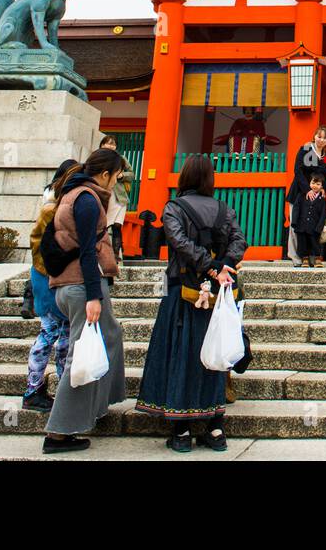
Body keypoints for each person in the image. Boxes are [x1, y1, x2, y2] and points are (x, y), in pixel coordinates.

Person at [135, 154, 246, 453]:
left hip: (183, 291)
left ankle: (181, 430)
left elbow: (178, 242)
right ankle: (215, 427)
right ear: (210, 178)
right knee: (215, 354)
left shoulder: (174, 208)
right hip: (218, 293)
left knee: (181, 353)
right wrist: (222, 266)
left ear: (184, 177)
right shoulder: (224, 210)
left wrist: (208, 265)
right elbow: (239, 241)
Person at [43, 149, 128, 454]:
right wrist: (94, 294)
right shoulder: (88, 199)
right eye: (117, 175)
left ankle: (98, 403)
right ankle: (58, 431)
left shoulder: (69, 194)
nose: (117, 180)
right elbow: (89, 251)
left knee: (110, 337)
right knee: (79, 358)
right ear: (105, 174)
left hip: (67, 284)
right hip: (83, 285)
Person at [21, 158, 76, 412]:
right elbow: (37, 245)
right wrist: (52, 269)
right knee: (49, 332)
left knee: (65, 336)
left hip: (62, 277)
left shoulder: (67, 208)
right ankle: (33, 388)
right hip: (47, 277)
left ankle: (64, 389)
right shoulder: (49, 211)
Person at [286, 125, 326, 266]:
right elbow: (298, 171)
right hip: (299, 193)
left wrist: (322, 188)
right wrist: (308, 190)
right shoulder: (306, 150)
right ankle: (296, 258)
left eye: (324, 138)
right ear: (314, 136)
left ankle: (311, 257)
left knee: (312, 227)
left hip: (316, 197)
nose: (321, 140)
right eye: (319, 136)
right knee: (296, 227)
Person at [98, 135, 131, 264]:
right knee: (104, 225)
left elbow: (131, 173)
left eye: (113, 144)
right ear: (102, 145)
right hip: (104, 194)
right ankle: (102, 252)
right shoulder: (98, 158)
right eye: (107, 143)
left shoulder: (120, 159)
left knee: (117, 225)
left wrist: (122, 175)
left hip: (119, 196)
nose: (110, 146)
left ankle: (116, 255)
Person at [291, 173, 326, 269]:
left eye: (318, 184)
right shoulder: (302, 195)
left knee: (315, 243)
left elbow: (323, 214)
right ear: (309, 183)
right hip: (302, 225)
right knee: (302, 242)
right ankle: (305, 258)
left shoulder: (322, 199)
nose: (315, 186)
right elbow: (296, 208)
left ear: (322, 186)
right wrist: (295, 222)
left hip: (314, 225)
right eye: (313, 183)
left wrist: (320, 226)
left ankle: (317, 258)